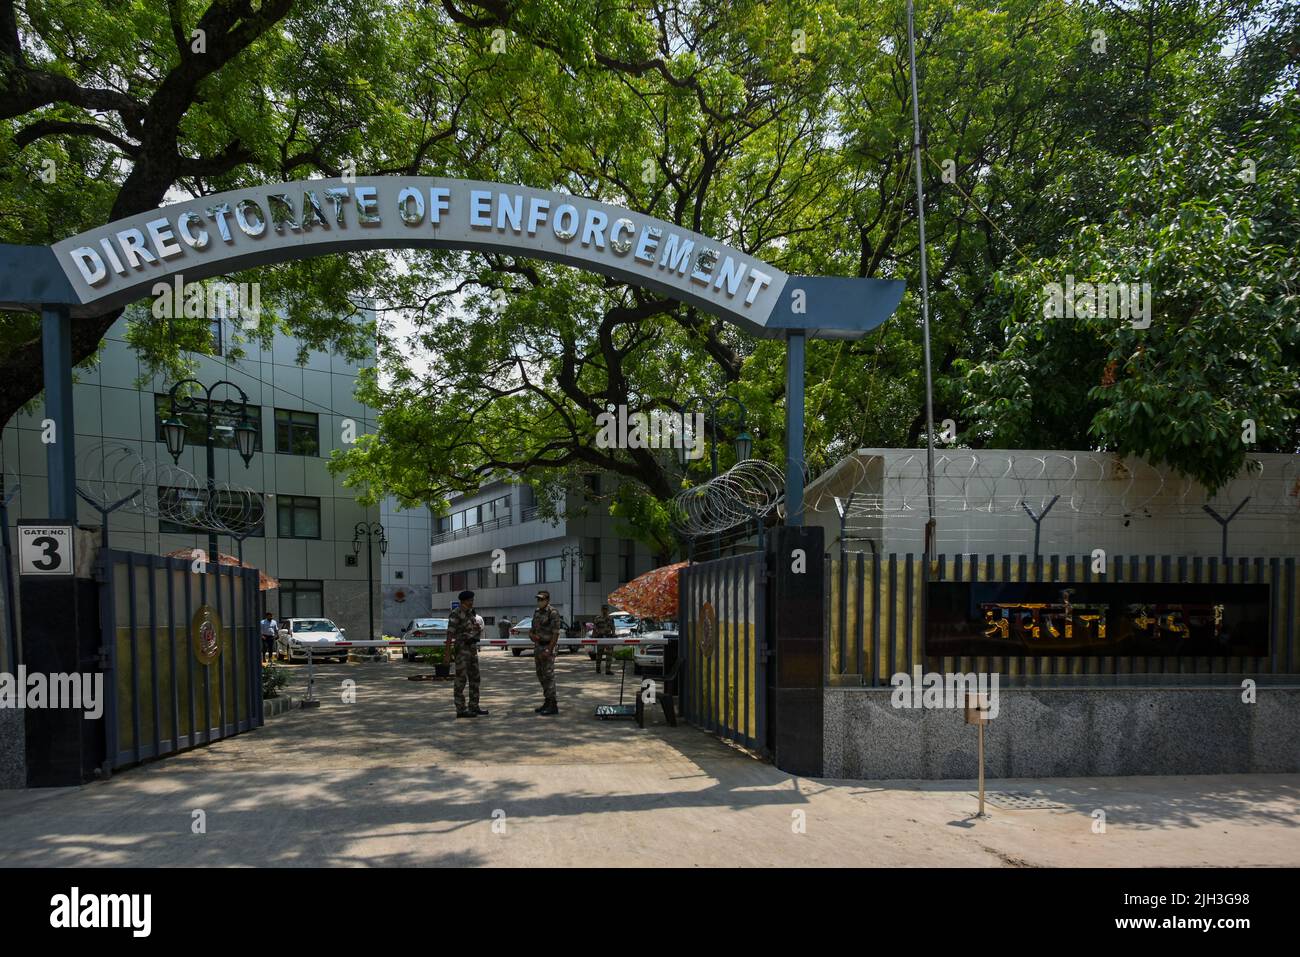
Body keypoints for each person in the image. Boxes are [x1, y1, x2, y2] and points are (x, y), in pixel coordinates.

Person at [448, 591, 488, 718]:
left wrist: (477, 629)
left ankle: (474, 706)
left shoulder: (471, 613)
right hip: (462, 649)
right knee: (461, 679)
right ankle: (461, 709)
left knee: (475, 679)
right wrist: (447, 653)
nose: (472, 602)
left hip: (472, 649)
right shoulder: (456, 613)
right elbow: (450, 633)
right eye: (470, 600)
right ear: (463, 601)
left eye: (472, 600)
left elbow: (473, 628)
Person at [529, 590, 563, 715]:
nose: (539, 602)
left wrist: (549, 649)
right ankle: (547, 701)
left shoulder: (553, 612)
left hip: (547, 647)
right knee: (540, 675)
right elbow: (532, 629)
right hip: (538, 647)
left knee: (549, 676)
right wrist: (531, 635)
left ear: (547, 600)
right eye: (538, 599)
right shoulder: (537, 612)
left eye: (541, 599)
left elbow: (555, 633)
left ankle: (553, 704)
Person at [592, 604, 616, 675]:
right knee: (599, 654)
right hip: (600, 637)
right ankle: (598, 669)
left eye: (606, 609)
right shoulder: (597, 618)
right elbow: (594, 628)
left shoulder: (610, 618)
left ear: (607, 610)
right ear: (601, 610)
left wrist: (614, 634)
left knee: (609, 654)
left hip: (608, 637)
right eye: (603, 609)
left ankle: (608, 670)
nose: (605, 611)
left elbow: (613, 627)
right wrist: (594, 636)